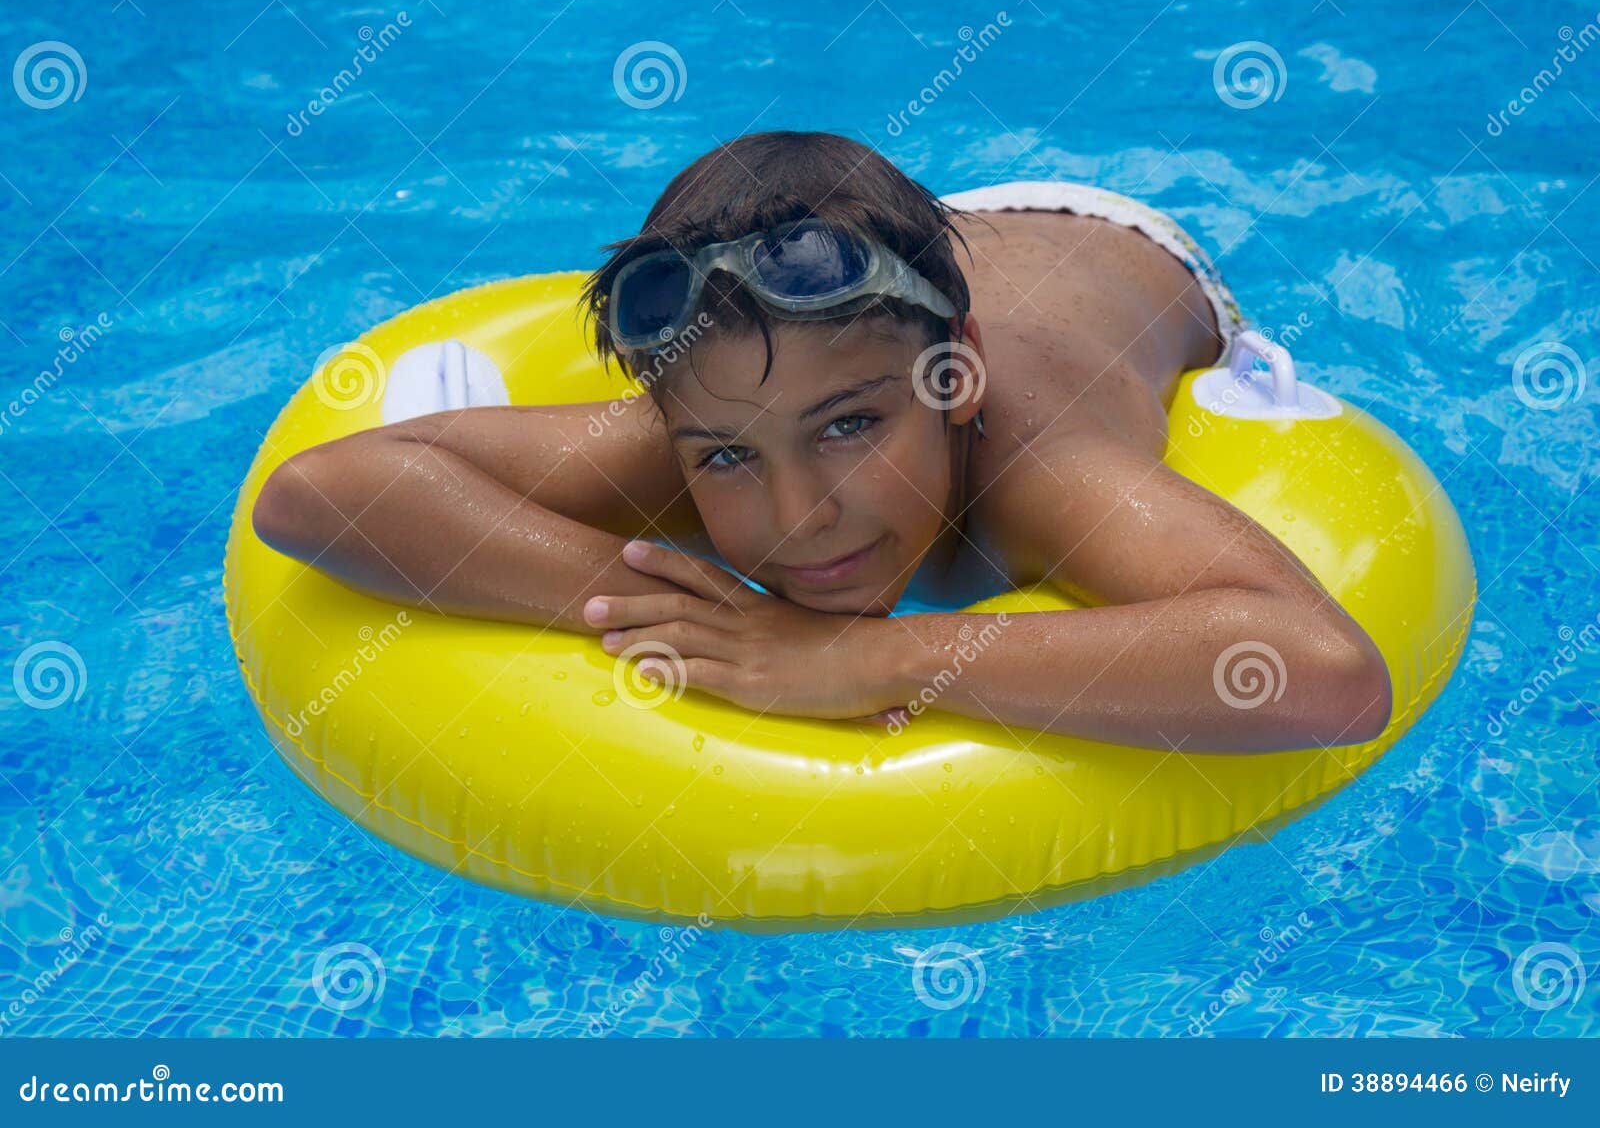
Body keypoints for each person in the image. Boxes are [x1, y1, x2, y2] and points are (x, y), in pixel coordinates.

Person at [252, 131, 1390, 752]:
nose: (797, 512)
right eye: (726, 460)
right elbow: (313, 497)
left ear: (954, 376)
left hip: (1114, 249)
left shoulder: (1035, 468)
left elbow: (1329, 676)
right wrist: (689, 602)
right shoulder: (727, 408)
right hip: (896, 270)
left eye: (852, 428)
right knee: (778, 372)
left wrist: (874, 657)